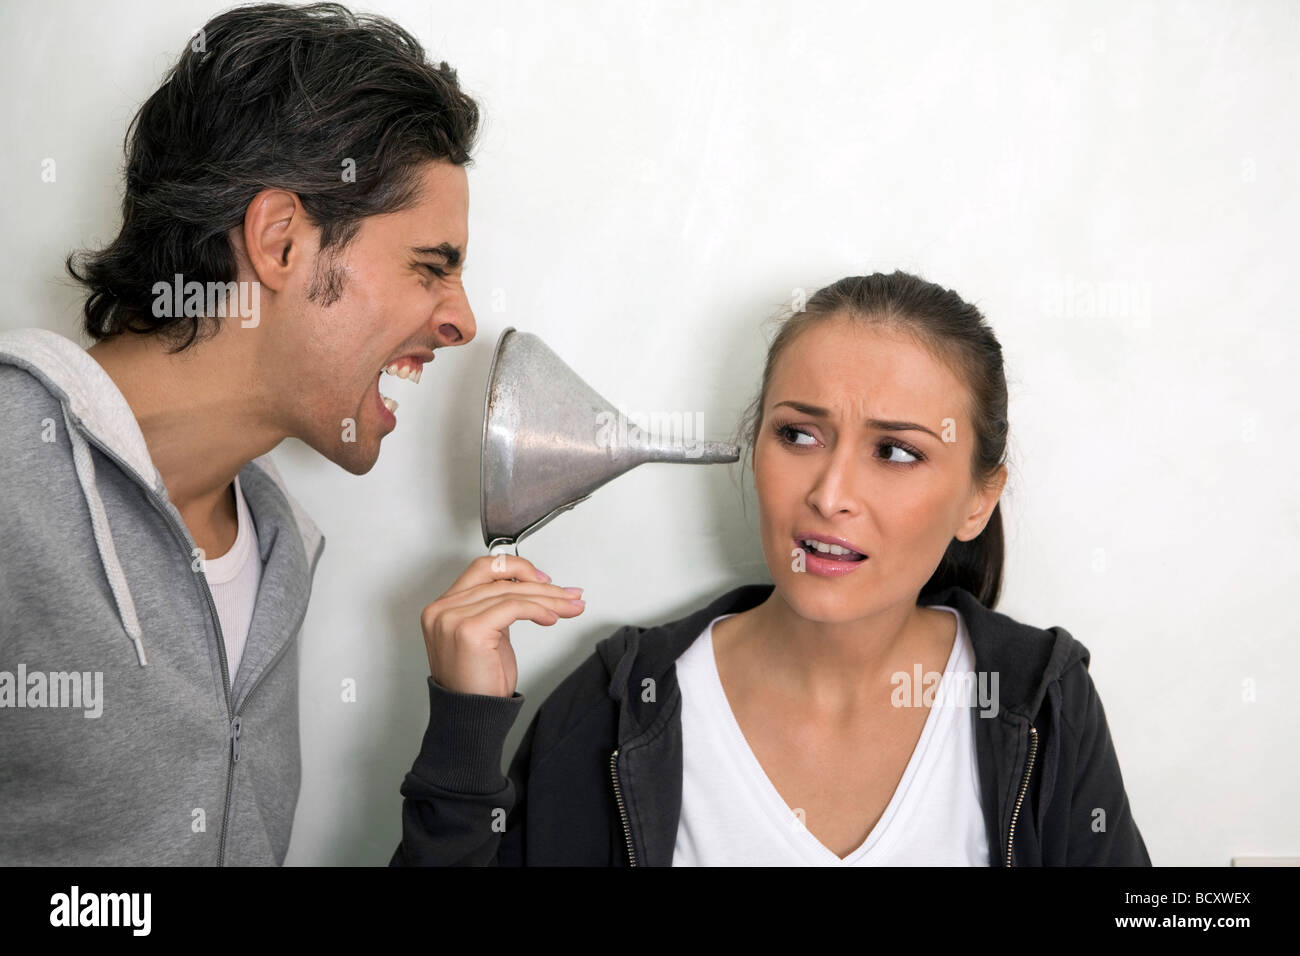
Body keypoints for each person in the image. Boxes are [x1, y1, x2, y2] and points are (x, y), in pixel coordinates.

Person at [0, 2, 578, 866]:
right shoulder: (14, 472)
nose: (460, 321)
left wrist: (464, 734)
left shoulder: (275, 552)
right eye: (430, 267)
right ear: (279, 242)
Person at [392, 270, 1152, 866]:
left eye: (895, 451)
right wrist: (464, 729)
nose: (829, 494)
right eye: (797, 435)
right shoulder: (622, 705)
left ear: (978, 501)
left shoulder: (1044, 705)